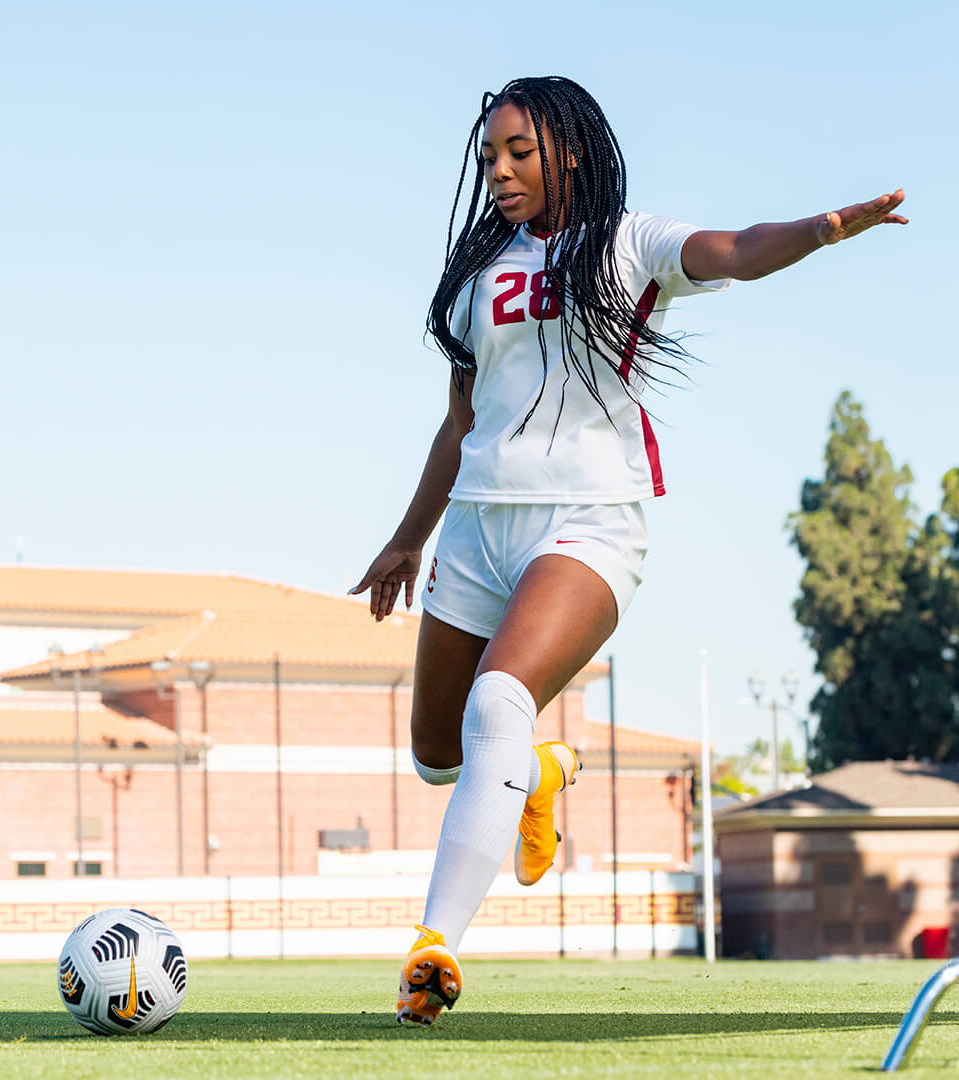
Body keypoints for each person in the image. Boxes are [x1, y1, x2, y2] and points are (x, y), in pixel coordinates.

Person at [349, 75, 905, 1026]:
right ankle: (545, 772)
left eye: (519, 152)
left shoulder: (628, 243)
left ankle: (432, 948)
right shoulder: (478, 273)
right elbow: (459, 425)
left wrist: (819, 229)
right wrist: (409, 539)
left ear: (567, 149)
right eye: (489, 157)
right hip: (477, 528)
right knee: (440, 757)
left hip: (589, 523)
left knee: (500, 702)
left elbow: (732, 249)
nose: (501, 172)